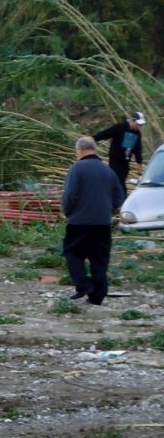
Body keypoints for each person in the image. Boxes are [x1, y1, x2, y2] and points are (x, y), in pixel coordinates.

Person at [62, 136, 125, 305]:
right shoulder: (108, 171)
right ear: (94, 150)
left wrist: (68, 212)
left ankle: (83, 284)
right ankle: (98, 296)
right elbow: (119, 198)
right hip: (102, 223)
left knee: (72, 253)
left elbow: (70, 195)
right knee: (99, 259)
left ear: (80, 150)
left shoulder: (77, 168)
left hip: (79, 222)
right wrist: (109, 212)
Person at [93, 112, 146, 193]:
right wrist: (93, 138)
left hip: (125, 161)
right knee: (117, 181)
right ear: (133, 120)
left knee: (121, 182)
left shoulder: (137, 133)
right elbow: (106, 133)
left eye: (141, 125)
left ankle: (120, 200)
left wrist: (139, 162)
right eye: (138, 124)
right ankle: (120, 200)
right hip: (115, 160)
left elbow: (138, 148)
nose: (139, 126)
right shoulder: (120, 127)